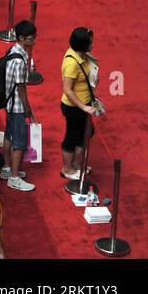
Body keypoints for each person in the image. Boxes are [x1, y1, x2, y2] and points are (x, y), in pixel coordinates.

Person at [0, 20, 37, 192]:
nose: (34, 41)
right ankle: (14, 178)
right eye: (31, 38)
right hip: (17, 107)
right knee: (20, 142)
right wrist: (27, 108)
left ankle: (7, 168)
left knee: (9, 135)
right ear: (22, 38)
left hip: (8, 103)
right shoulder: (20, 61)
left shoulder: (11, 51)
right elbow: (21, 87)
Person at [60, 27, 101, 182]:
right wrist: (84, 107)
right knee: (72, 137)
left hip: (85, 103)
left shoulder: (83, 55)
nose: (92, 45)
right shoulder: (72, 63)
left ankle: (76, 164)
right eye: (90, 43)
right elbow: (68, 90)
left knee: (86, 134)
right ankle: (67, 169)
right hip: (74, 107)